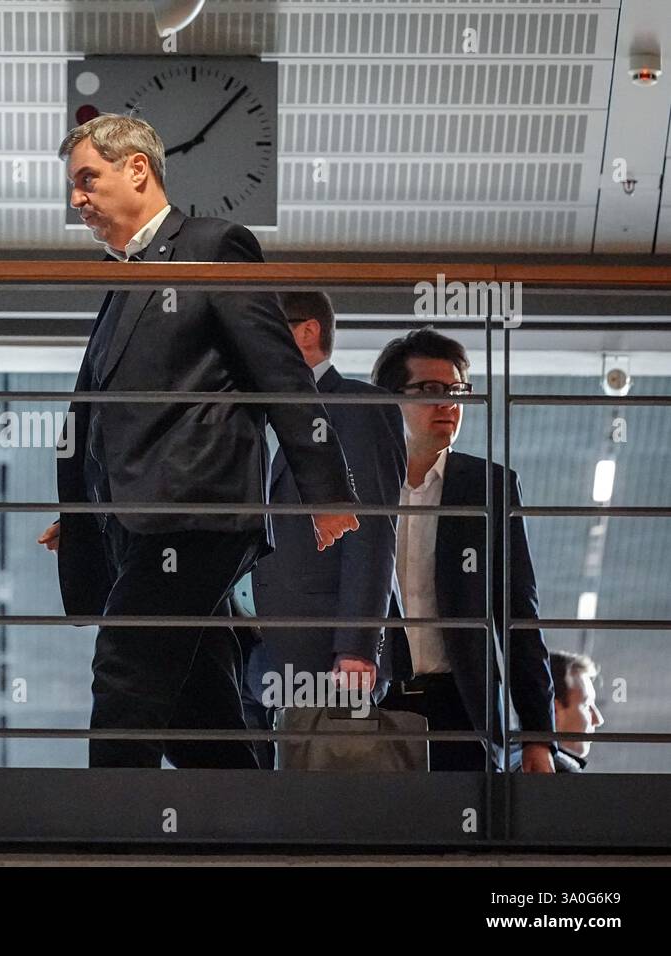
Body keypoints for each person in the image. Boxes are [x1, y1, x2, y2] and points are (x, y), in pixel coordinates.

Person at [37, 114, 359, 769]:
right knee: (194, 703)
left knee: (125, 665)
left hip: (196, 510)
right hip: (141, 518)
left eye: (87, 179)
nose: (76, 199)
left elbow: (279, 370)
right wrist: (83, 508)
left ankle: (110, 838)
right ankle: (243, 827)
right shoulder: (123, 277)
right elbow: (104, 408)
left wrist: (325, 491)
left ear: (137, 169)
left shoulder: (214, 246)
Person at [371, 328, 555, 773]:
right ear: (388, 400)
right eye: (429, 390)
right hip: (371, 702)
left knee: (461, 837)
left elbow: (519, 615)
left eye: (456, 391)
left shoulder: (487, 487)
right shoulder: (358, 482)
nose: (447, 403)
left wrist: (536, 736)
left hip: (460, 705)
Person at [243, 292, 407, 742]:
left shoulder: (356, 407)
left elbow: (371, 532)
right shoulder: (258, 412)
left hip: (323, 653)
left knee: (317, 799)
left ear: (307, 332)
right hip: (258, 655)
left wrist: (356, 646)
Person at [550, 650, 603, 771]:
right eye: (586, 705)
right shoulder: (561, 775)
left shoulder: (509, 760)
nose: (598, 719)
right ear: (553, 711)